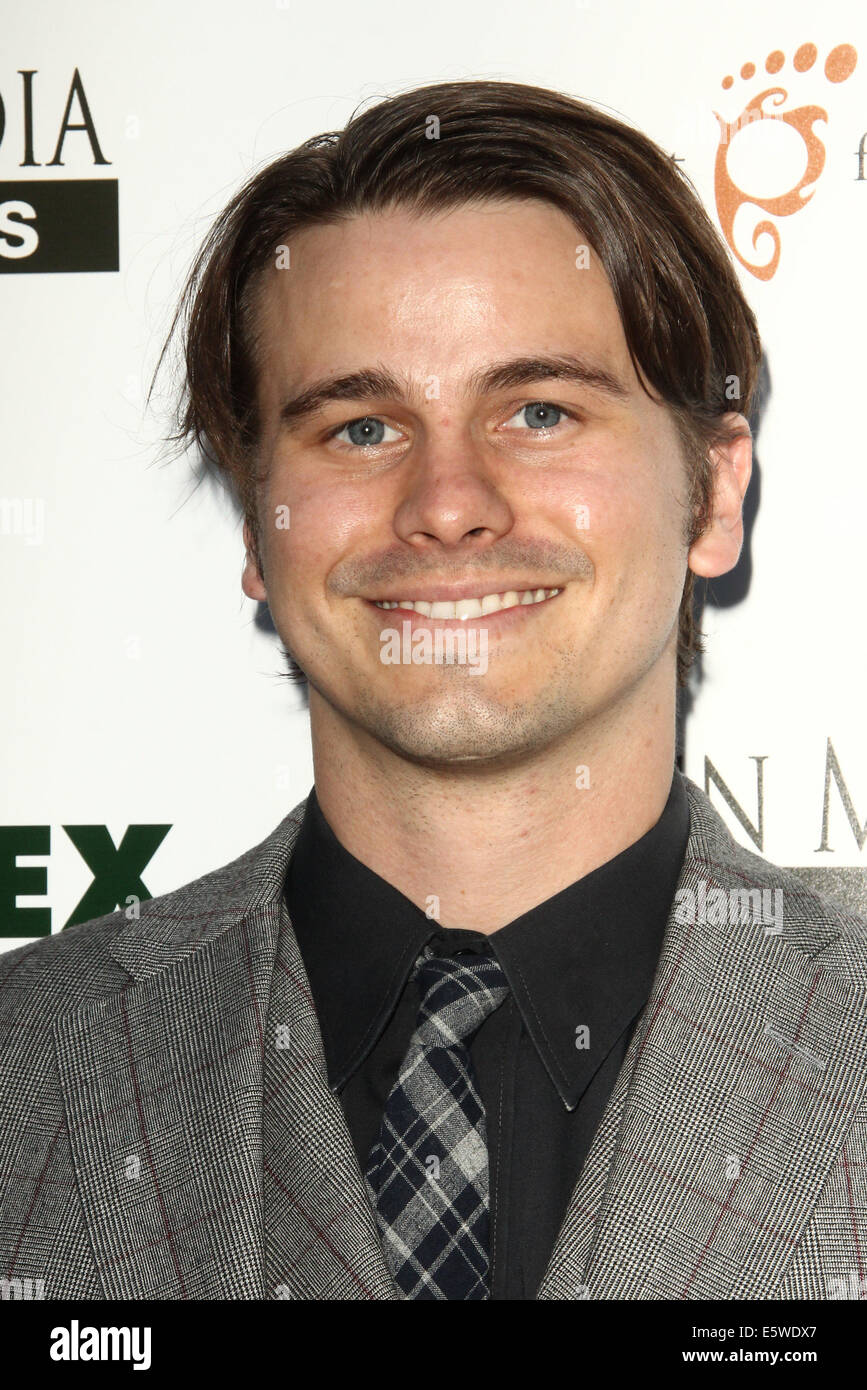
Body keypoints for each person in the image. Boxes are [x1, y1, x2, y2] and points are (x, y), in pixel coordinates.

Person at [1, 80, 865, 1302]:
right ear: (260, 519)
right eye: (359, 428)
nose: (447, 502)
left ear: (714, 496)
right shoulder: (25, 1069)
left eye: (539, 409)